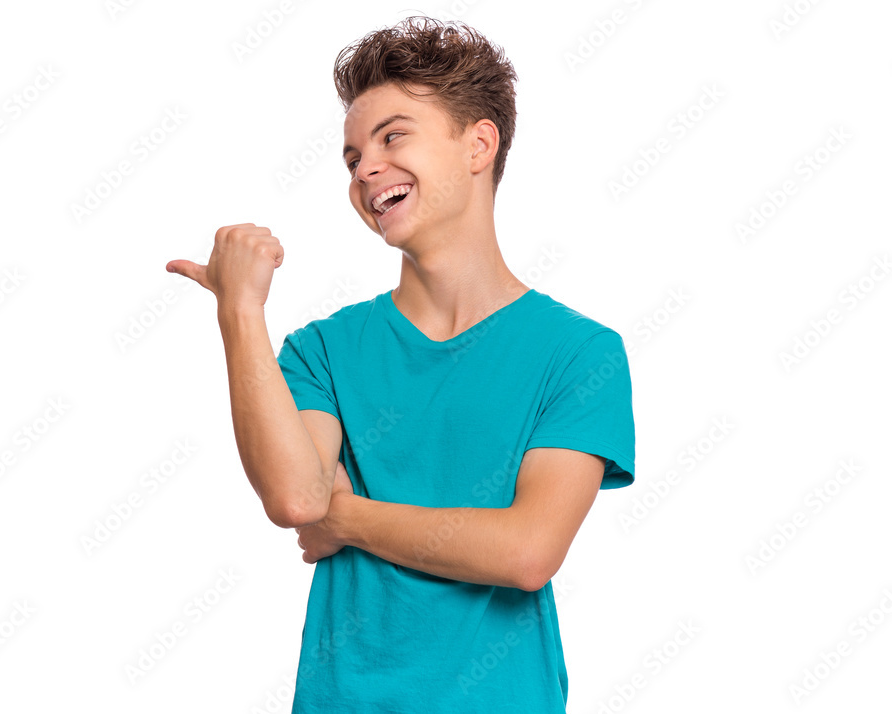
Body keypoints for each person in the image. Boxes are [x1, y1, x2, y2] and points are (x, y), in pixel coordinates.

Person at [167, 15, 635, 713]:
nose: (366, 169)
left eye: (392, 137)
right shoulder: (322, 350)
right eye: (353, 157)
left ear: (479, 144)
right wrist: (240, 312)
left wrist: (349, 518)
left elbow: (527, 553)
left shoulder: (579, 352)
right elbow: (296, 499)